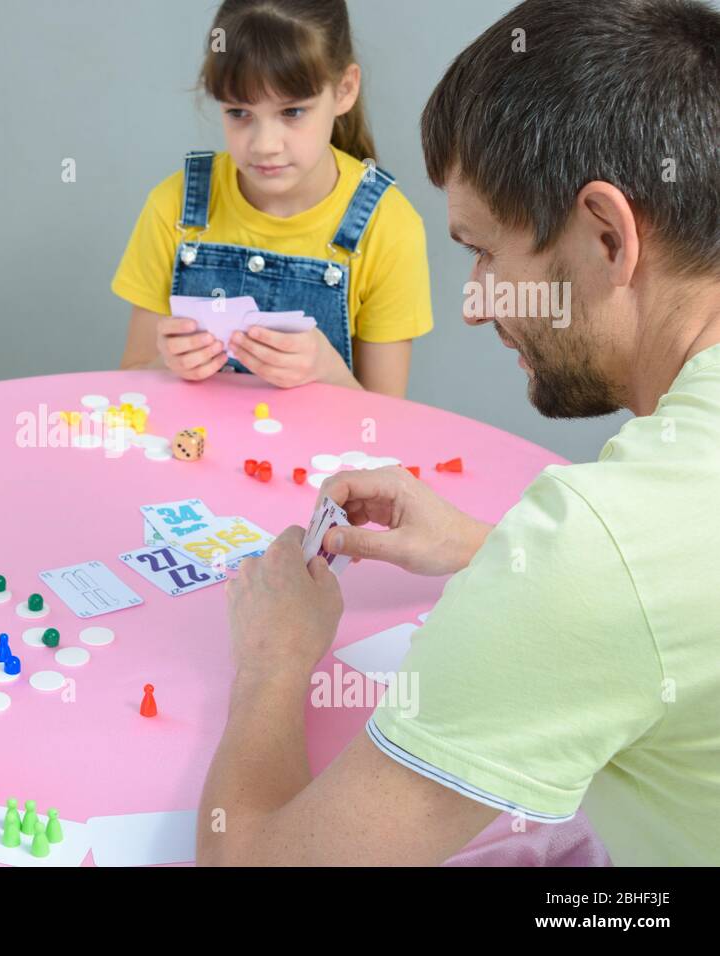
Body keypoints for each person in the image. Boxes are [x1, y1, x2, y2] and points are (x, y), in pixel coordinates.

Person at [198, 0, 720, 865]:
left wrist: (272, 660)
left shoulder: (603, 553)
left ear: (606, 236)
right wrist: (495, 548)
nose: (476, 304)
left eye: (483, 252)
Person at [113, 0, 433, 397]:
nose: (264, 145)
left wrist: (327, 370)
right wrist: (168, 363)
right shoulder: (175, 205)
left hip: (325, 459)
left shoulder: (388, 227)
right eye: (239, 113)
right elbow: (132, 381)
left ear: (345, 89)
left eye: (293, 112)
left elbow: (385, 424)